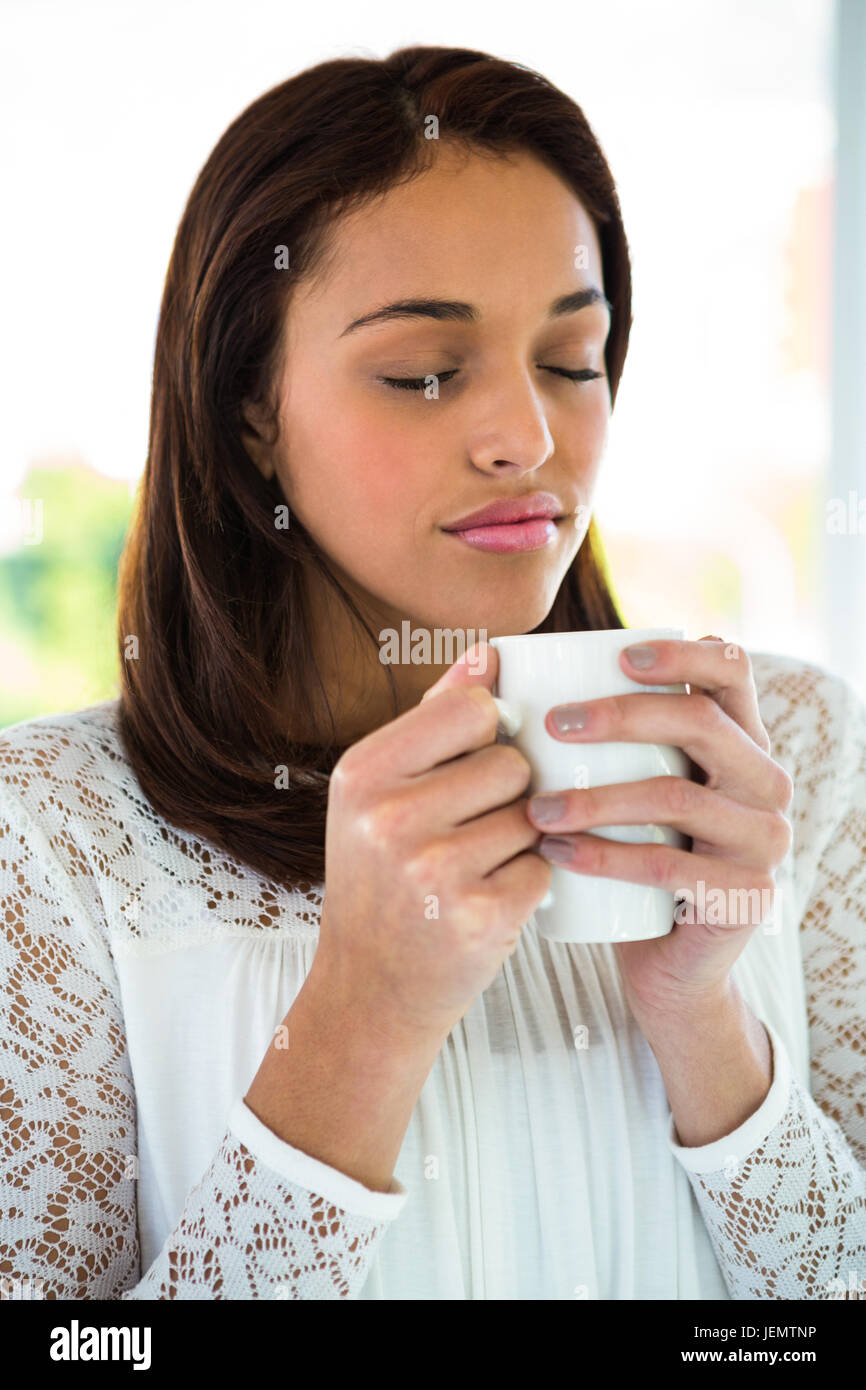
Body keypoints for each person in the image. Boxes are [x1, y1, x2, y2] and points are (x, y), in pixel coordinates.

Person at [1, 44, 864, 1302]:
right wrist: (358, 1019)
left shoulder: (795, 750)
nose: (528, 437)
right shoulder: (50, 838)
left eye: (572, 362)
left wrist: (705, 1022)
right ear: (250, 409)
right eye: (421, 373)